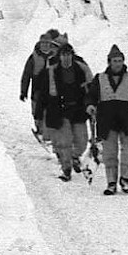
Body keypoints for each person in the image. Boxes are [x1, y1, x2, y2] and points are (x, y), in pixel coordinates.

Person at [86, 44, 128, 195]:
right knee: (109, 154)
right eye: (115, 61)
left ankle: (124, 179)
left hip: (127, 121)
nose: (118, 64)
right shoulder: (99, 79)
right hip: (107, 121)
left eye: (120, 61)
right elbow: (91, 96)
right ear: (109, 62)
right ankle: (111, 182)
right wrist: (90, 105)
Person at [41, 42, 93, 181]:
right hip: (60, 110)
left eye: (68, 54)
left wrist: (91, 104)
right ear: (60, 56)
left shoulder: (81, 69)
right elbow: (44, 93)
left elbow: (91, 89)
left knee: (82, 141)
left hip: (78, 110)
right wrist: (41, 113)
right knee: (64, 143)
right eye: (63, 55)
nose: (66, 57)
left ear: (72, 55)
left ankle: (74, 156)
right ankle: (66, 169)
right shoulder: (52, 71)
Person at [20, 31, 57, 141]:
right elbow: (26, 74)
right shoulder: (33, 57)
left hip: (52, 88)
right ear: (40, 44)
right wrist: (23, 91)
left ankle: (49, 131)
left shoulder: (56, 57)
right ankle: (39, 128)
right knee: (36, 110)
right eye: (43, 43)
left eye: (47, 43)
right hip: (37, 88)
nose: (45, 45)